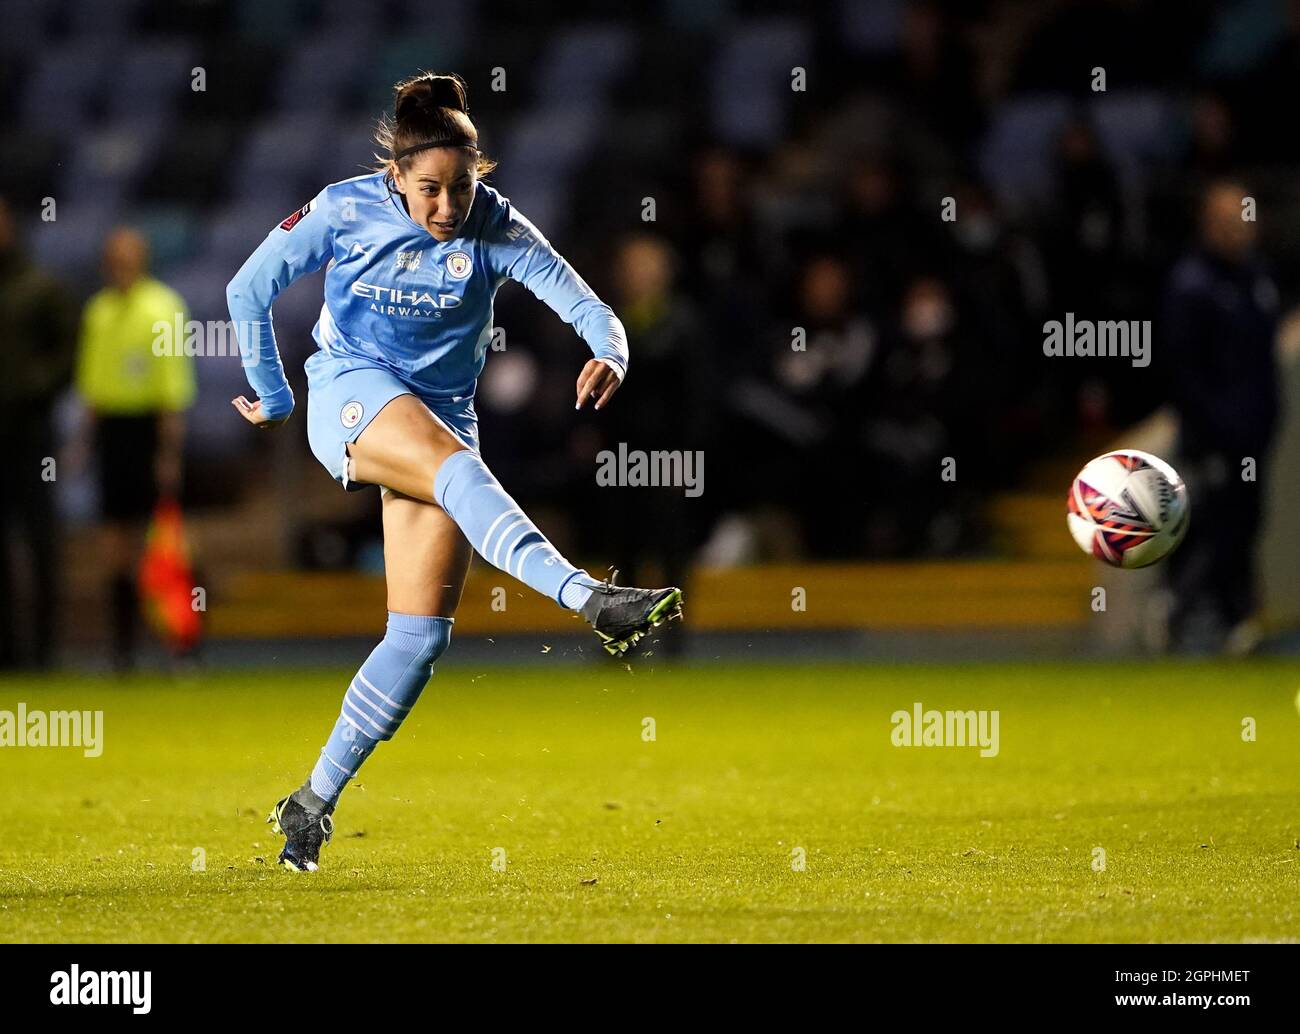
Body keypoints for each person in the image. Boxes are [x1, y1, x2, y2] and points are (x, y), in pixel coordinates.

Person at [227, 73, 684, 871]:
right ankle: (588, 597)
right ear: (394, 178)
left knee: (417, 639)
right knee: (451, 464)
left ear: (482, 176)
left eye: (460, 188)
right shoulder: (344, 208)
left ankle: (311, 803)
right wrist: (274, 394)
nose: (445, 208)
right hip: (351, 392)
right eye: (428, 189)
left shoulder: (497, 226)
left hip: (438, 417)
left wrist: (611, 349)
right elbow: (247, 287)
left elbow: (587, 306)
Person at [1161, 179, 1280, 653]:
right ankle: (1181, 611)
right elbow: (1182, 368)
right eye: (1228, 221)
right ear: (1207, 225)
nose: (1240, 230)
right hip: (1214, 436)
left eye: (1244, 219)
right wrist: (1214, 426)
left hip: (1256, 433)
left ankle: (1238, 622)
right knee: (1214, 526)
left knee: (1246, 522)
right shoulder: (1191, 285)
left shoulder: (1258, 277)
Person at [75, 227, 195, 671]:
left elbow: (173, 390)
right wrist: (81, 446)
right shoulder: (98, 311)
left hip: (150, 429)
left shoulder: (164, 308)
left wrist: (167, 453)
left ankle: (185, 646)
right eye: (116, 255)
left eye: (130, 255)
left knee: (167, 543)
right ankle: (122, 652)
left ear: (142, 258)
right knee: (114, 547)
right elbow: (92, 388)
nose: (122, 263)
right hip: (112, 432)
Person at [0, 196, 78, 670]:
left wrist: (35, 387)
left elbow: (69, 354)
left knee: (41, 541)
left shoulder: (42, 288)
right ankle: (7, 651)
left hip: (31, 434)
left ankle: (44, 652)